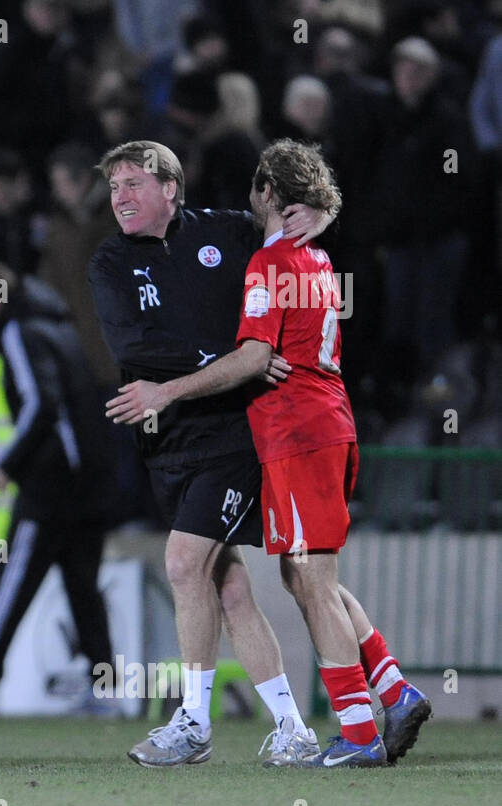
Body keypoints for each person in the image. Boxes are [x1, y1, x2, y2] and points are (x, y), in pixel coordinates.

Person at [108, 140, 432, 767]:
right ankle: (394, 688)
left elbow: (257, 357)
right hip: (327, 426)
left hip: (298, 432)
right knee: (301, 573)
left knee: (310, 576)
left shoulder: (270, 260)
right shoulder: (316, 257)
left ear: (267, 194)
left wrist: (167, 392)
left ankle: (361, 734)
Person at [89, 139, 330, 768]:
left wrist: (322, 216)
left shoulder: (229, 231)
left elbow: (294, 242)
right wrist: (240, 363)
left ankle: (194, 721)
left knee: (181, 561)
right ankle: (292, 728)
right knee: (226, 587)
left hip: (237, 434)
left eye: (134, 184)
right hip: (167, 443)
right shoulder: (111, 262)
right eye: (114, 187)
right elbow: (137, 350)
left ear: (171, 188)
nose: (121, 198)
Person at [0, 260, 114, 715]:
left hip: (50, 485)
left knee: (12, 582)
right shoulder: (61, 327)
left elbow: (42, 404)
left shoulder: (20, 333)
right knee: (84, 586)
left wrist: (9, 463)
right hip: (90, 481)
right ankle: (105, 689)